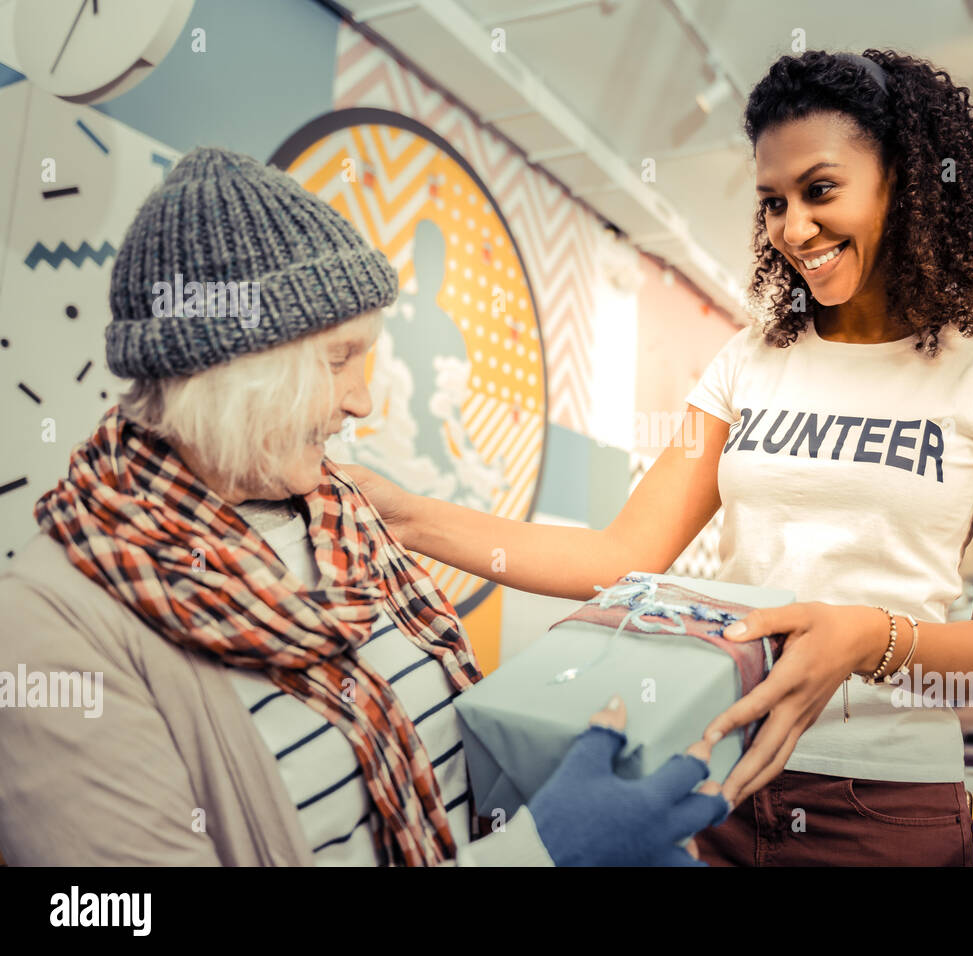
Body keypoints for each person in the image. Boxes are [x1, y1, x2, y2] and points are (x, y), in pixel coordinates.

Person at [345, 49, 973, 867]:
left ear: (907, 181)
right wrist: (397, 510)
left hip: (882, 802)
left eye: (821, 189)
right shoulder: (748, 361)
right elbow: (619, 556)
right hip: (718, 777)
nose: (793, 229)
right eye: (773, 202)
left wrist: (861, 637)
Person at [0, 146, 729, 867]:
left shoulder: (338, 513)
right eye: (337, 360)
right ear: (227, 369)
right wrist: (540, 854)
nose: (362, 400)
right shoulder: (47, 629)